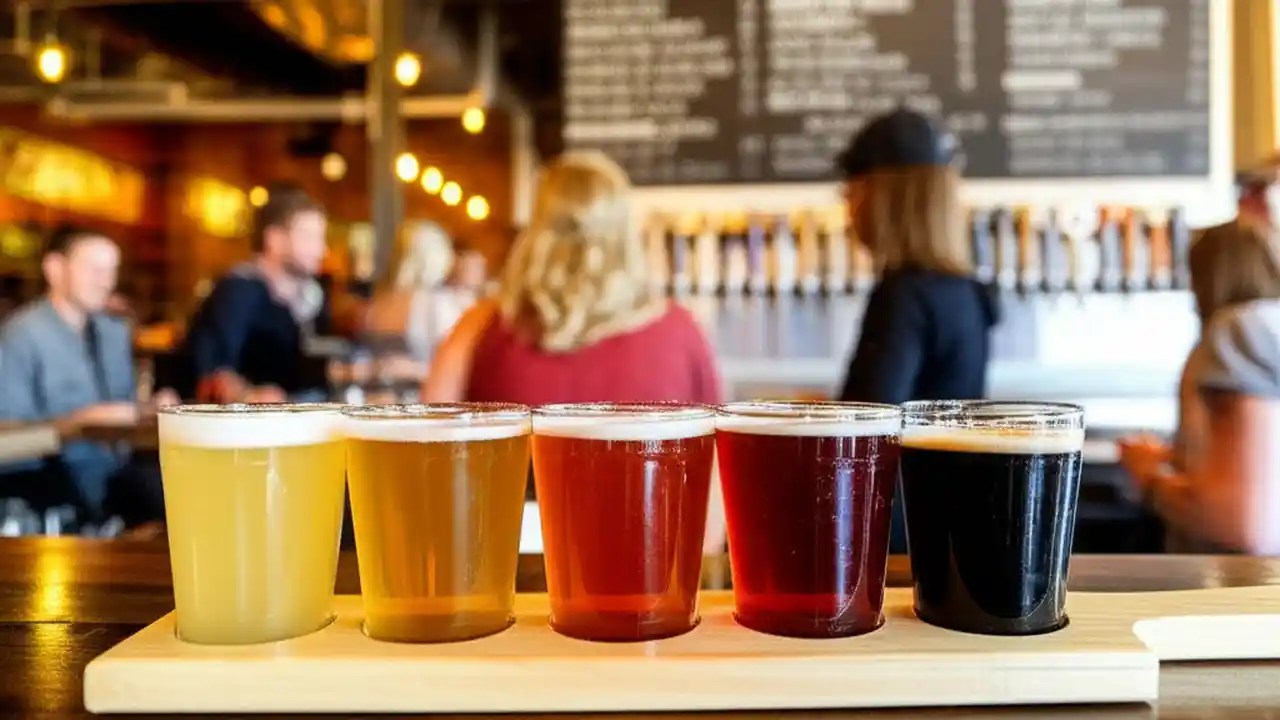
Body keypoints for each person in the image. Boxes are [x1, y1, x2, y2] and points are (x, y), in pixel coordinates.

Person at [422, 151, 721, 406]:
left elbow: (431, 446)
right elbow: (716, 465)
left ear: (536, 229)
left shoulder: (477, 329)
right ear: (626, 236)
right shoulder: (682, 332)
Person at [833, 109, 998, 552]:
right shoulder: (965, 291)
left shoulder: (903, 295)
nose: (847, 209)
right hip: (948, 516)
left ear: (884, 196)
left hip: (897, 533)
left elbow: (870, 426)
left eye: (851, 191)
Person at [1120, 221, 1280, 553]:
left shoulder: (1238, 334)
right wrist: (1172, 457)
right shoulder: (1266, 329)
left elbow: (1239, 523)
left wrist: (1148, 475)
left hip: (1230, 590)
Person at [0, 226, 176, 523]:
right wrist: (77, 424)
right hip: (48, 486)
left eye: (111, 270)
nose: (106, 282)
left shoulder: (114, 332)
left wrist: (150, 409)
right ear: (54, 269)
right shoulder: (20, 336)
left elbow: (125, 413)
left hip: (113, 478)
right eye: (94, 269)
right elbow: (7, 436)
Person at [177, 183, 331, 403]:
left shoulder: (309, 299)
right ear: (274, 239)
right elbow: (214, 379)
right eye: (309, 237)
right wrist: (247, 394)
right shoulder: (239, 293)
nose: (321, 250)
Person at [364, 221, 472, 369]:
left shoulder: (380, 302)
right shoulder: (436, 304)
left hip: (376, 390)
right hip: (418, 390)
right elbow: (452, 367)